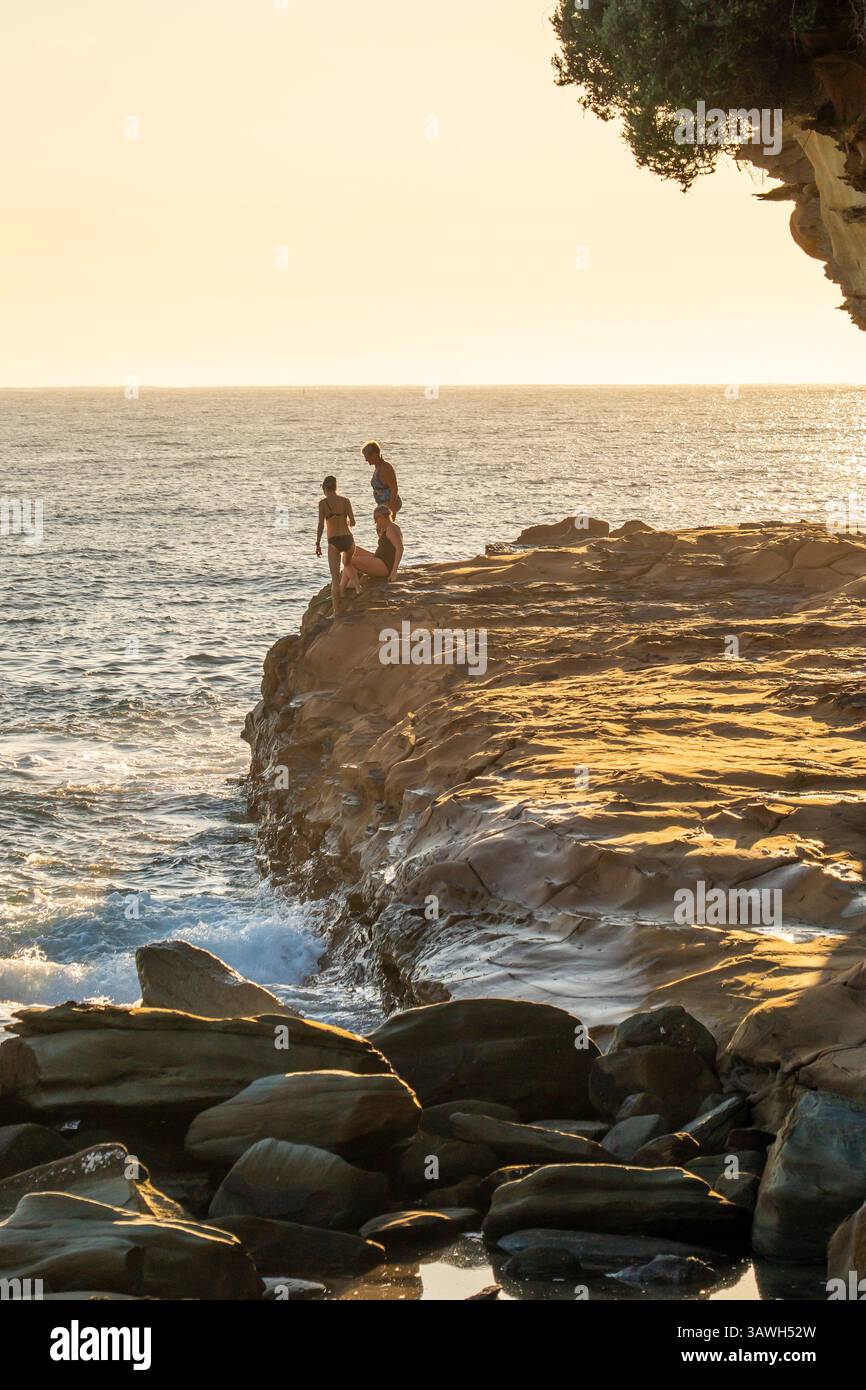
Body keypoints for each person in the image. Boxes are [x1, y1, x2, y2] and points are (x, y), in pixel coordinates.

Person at [315, 475, 357, 612]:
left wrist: (318, 543)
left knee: (335, 578)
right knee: (348, 564)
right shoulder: (346, 501)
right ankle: (358, 588)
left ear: (326, 488)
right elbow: (353, 522)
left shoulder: (323, 504)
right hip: (348, 539)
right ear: (336, 487)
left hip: (334, 541)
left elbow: (321, 525)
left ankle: (336, 612)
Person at [340, 505, 403, 592]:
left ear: (381, 517)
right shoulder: (388, 528)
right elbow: (387, 547)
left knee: (349, 560)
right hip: (379, 558)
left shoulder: (391, 528)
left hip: (385, 566)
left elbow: (400, 548)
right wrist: (380, 535)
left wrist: (394, 571)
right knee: (351, 549)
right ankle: (352, 578)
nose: (375, 522)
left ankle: (342, 588)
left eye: (376, 519)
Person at [362, 441, 402, 516]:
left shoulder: (385, 468)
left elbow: (394, 489)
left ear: (374, 454)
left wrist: (391, 509)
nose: (366, 460)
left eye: (367, 456)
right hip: (382, 504)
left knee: (386, 527)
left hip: (389, 504)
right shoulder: (378, 467)